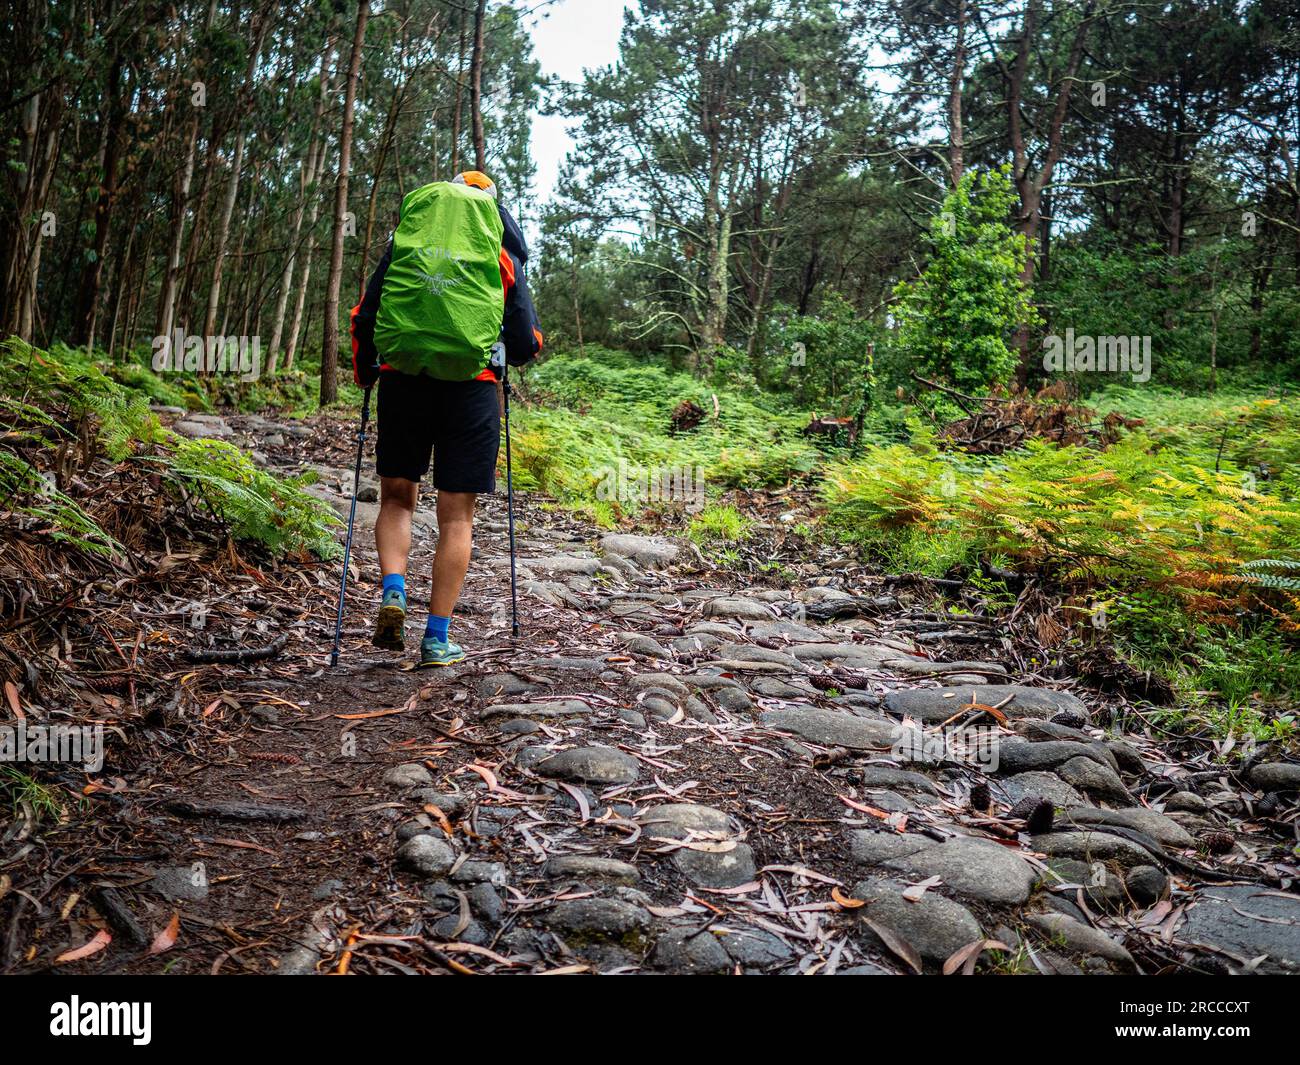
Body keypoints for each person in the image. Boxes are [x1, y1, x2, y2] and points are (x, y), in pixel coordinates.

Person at [349, 170, 542, 667]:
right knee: (456, 516)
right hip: (471, 389)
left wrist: (367, 370)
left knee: (397, 499)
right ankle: (436, 638)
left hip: (403, 379)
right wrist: (525, 347)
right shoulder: (499, 248)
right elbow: (522, 340)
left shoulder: (410, 240)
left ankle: (394, 590)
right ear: (490, 206)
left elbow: (367, 315)